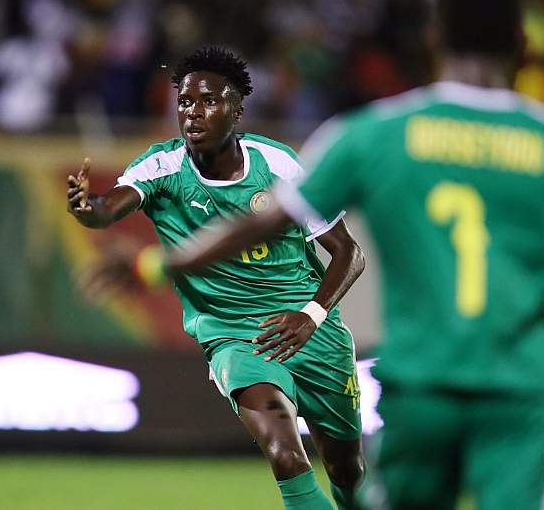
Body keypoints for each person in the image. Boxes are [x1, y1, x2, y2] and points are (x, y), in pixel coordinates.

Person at [98, 0, 544, 510]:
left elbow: (264, 217)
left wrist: (159, 269)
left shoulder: (373, 135)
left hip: (422, 389)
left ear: (433, 40)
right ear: (523, 46)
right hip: (521, 393)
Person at [67, 46, 366, 510]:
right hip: (232, 335)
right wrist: (89, 210)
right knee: (284, 453)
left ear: (237, 109)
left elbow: (349, 252)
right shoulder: (163, 168)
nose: (193, 112)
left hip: (309, 329)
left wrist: (311, 315)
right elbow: (108, 207)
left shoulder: (277, 165)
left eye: (208, 101)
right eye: (185, 102)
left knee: (347, 469)